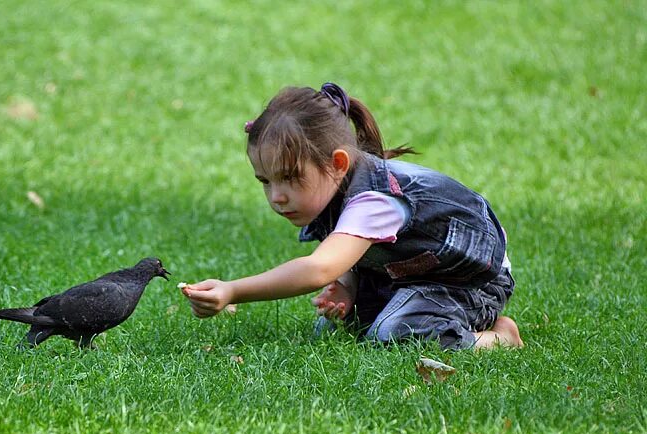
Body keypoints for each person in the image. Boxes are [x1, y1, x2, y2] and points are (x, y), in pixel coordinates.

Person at [182, 82, 523, 350]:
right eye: (265, 182)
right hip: (407, 273)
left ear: (338, 164)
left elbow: (319, 268)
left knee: (394, 335)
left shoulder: (375, 199)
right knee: (335, 326)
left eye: (289, 178)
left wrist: (233, 290)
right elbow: (350, 254)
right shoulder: (333, 189)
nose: (277, 196)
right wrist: (347, 286)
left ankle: (497, 340)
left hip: (470, 282)